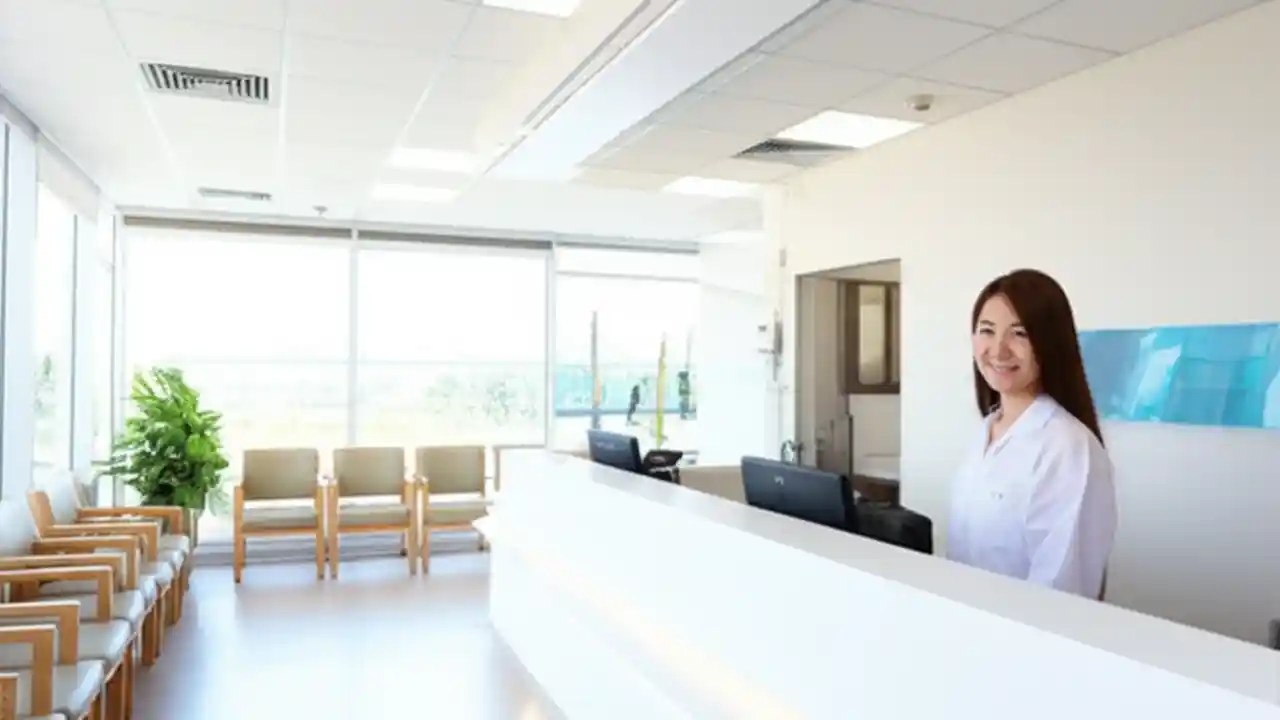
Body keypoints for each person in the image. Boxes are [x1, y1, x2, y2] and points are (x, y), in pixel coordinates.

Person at [947, 269, 1117, 600]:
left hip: (1021, 641)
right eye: (987, 331)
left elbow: (1060, 589)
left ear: (1049, 343)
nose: (998, 350)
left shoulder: (1067, 447)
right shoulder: (986, 432)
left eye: (1019, 333)